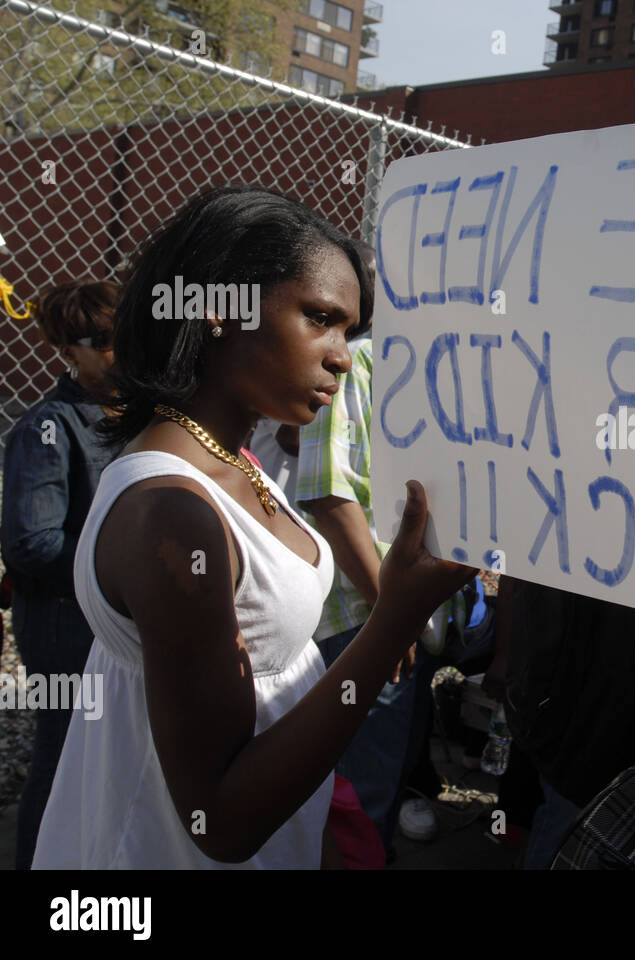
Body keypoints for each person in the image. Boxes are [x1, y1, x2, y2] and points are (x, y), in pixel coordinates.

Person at [30, 185, 473, 868]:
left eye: (350, 331)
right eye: (320, 318)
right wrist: (394, 619)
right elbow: (220, 819)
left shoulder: (225, 457)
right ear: (217, 309)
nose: (343, 356)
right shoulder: (175, 517)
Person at [295, 240, 448, 861]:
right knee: (363, 789)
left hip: (407, 613)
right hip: (368, 614)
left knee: (386, 768)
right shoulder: (355, 364)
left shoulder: (439, 370)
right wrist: (393, 617)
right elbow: (330, 497)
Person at [1, 280, 122, 869]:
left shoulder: (132, 417)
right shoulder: (47, 429)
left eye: (124, 335)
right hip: (65, 624)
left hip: (117, 619)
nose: (116, 350)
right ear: (67, 351)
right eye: (100, 341)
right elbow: (32, 543)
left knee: (111, 752)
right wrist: (126, 566)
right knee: (65, 753)